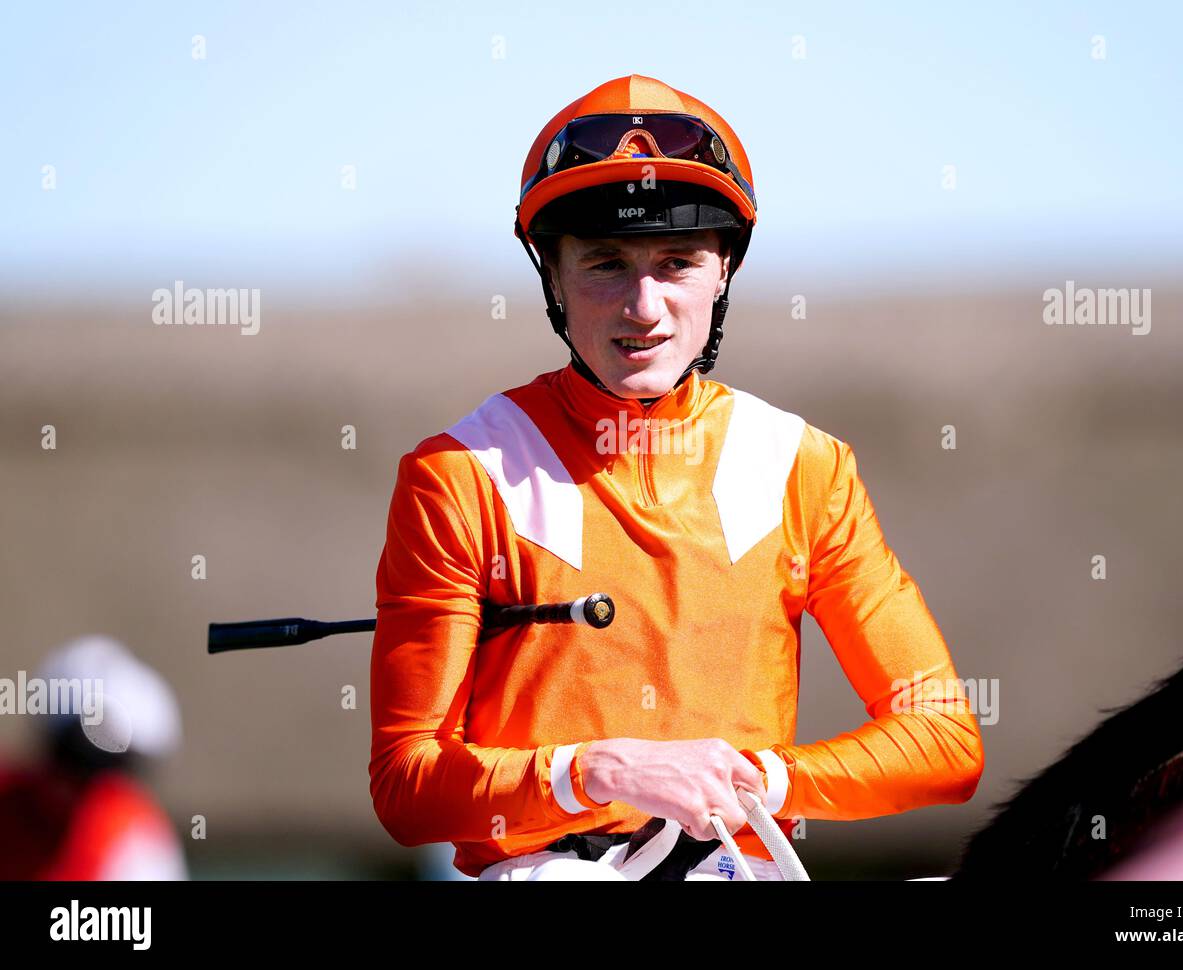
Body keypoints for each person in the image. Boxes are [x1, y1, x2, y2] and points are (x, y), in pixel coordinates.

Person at [368, 74, 984, 880]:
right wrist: (595, 772)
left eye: (678, 262)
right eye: (606, 264)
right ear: (552, 275)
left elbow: (943, 742)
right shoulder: (456, 476)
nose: (645, 306)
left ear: (724, 269)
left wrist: (762, 779)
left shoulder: (807, 466)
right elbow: (408, 787)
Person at [0, 634, 187, 880]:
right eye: (75, 756)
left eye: (107, 766)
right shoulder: (8, 800)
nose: (76, 782)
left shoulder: (133, 840)